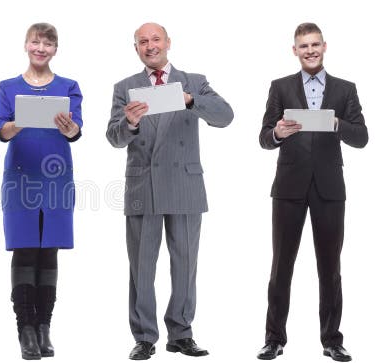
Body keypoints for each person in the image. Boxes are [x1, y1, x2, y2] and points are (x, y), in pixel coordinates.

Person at [106, 22, 233, 361]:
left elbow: (225, 117)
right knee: (141, 268)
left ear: (168, 42)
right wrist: (130, 123)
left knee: (185, 264)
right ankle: (144, 337)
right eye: (143, 41)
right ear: (136, 48)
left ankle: (181, 333)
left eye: (155, 39)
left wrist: (190, 100)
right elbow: (114, 138)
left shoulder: (194, 81)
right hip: (143, 184)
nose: (150, 46)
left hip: (185, 184)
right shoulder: (125, 87)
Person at [256, 23, 368, 362]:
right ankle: (274, 339)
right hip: (289, 187)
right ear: (295, 50)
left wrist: (336, 123)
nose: (310, 50)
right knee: (281, 266)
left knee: (330, 268)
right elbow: (264, 138)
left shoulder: (345, 89)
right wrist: (277, 132)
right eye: (303, 46)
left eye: (315, 44)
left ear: (324, 46)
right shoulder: (280, 87)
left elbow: (361, 137)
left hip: (329, 188)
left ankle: (332, 340)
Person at [0, 22, 82, 360]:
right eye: (35, 42)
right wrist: (18, 122)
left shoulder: (68, 87)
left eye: (47, 44)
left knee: (49, 251)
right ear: (26, 45)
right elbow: (0, 130)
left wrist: (70, 128)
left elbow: (75, 131)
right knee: (25, 249)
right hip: (21, 177)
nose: (40, 48)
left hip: (56, 178)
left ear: (55, 49)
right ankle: (25, 329)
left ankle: (44, 327)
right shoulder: (9, 87)